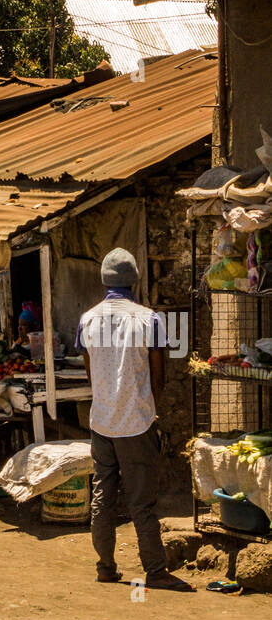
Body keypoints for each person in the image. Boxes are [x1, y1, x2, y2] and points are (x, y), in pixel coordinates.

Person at [78, 247, 194, 593]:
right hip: (137, 423)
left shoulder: (87, 319)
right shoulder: (149, 320)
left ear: (104, 280)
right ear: (135, 281)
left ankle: (105, 566)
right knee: (142, 502)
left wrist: (107, 399)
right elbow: (157, 376)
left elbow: (90, 372)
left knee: (103, 496)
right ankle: (155, 570)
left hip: (101, 422)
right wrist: (148, 408)